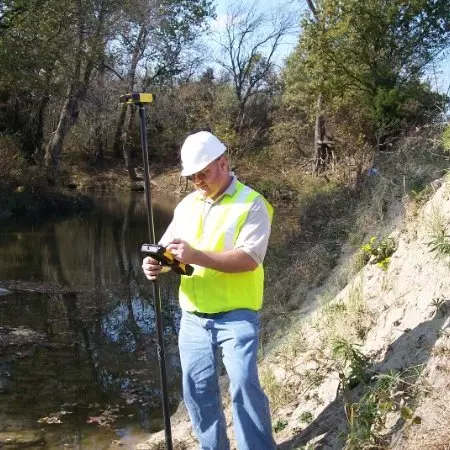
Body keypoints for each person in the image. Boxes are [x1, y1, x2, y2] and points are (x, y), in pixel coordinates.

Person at [142, 131, 276, 450]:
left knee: (243, 384)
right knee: (197, 390)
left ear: (223, 163)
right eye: (192, 176)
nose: (198, 181)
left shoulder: (253, 204)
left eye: (203, 173)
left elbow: (249, 259)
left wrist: (196, 256)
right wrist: (156, 264)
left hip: (236, 314)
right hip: (193, 317)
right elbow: (169, 250)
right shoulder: (187, 206)